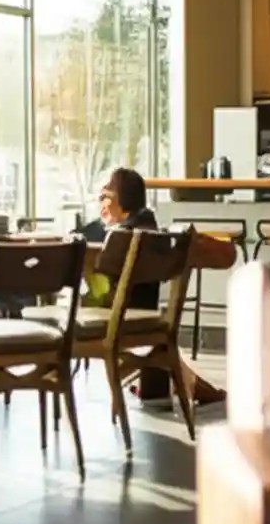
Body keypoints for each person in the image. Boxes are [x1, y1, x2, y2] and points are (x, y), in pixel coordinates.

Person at [77, 167, 228, 405]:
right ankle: (187, 383)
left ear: (123, 200)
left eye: (105, 196)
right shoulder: (152, 233)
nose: (101, 202)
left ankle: (188, 382)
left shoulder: (119, 238)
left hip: (116, 320)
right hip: (149, 316)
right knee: (159, 346)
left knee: (74, 306)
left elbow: (95, 268)